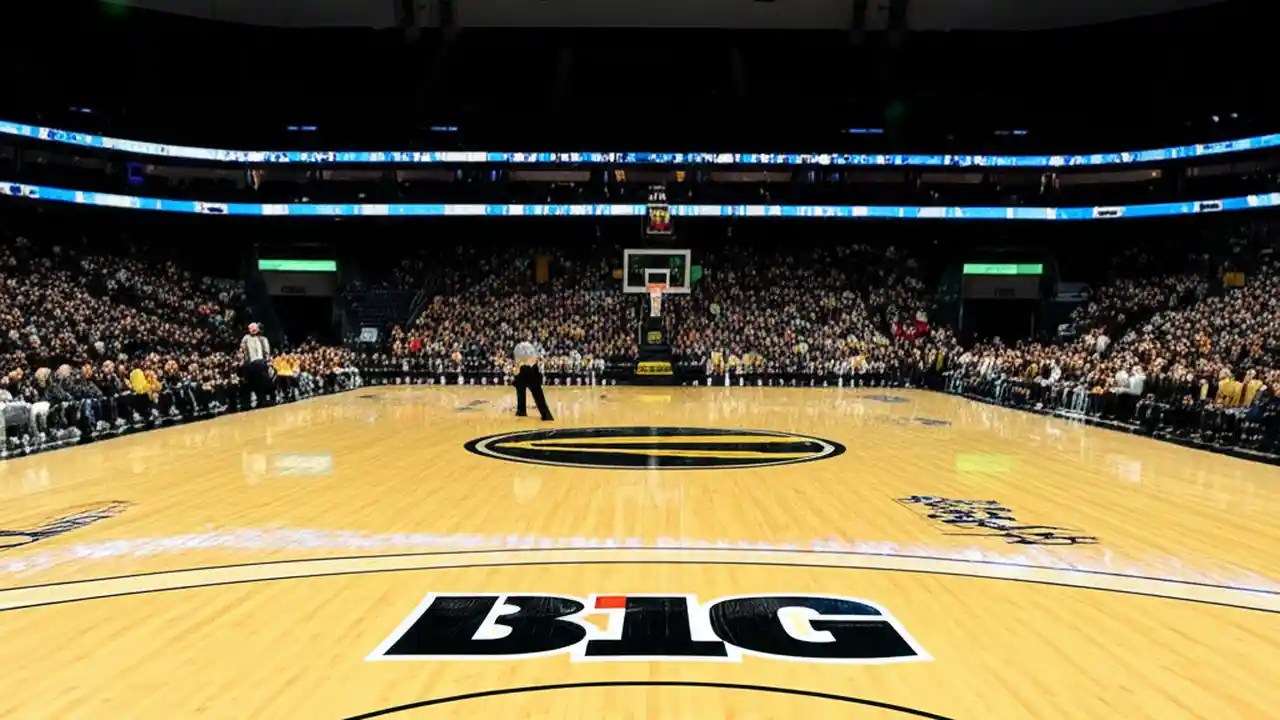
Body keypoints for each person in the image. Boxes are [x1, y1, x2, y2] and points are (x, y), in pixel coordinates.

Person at [513, 340, 553, 421]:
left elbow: (518, 364)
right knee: (536, 394)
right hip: (530, 370)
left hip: (527, 371)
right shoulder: (531, 350)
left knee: (527, 392)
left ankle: (522, 411)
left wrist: (517, 374)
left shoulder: (521, 351)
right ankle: (545, 415)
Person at [240, 322, 274, 406]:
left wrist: (268, 361)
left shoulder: (262, 339)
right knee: (257, 382)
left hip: (259, 363)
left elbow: (267, 352)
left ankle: (266, 399)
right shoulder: (247, 339)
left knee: (262, 381)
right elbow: (242, 351)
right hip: (254, 364)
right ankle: (261, 399)